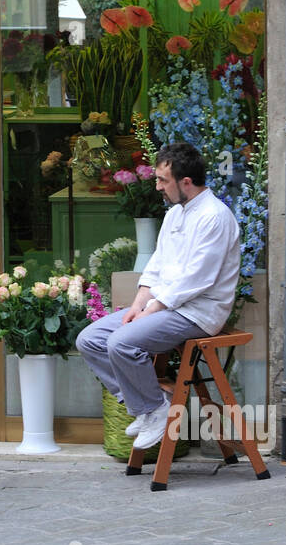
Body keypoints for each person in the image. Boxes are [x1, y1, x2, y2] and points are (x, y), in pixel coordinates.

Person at [75, 142, 241, 452]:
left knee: (122, 342)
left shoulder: (214, 217)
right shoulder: (174, 214)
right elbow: (155, 267)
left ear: (186, 183)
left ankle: (154, 408)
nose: (157, 186)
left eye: (163, 180)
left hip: (198, 312)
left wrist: (150, 311)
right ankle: (151, 406)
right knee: (90, 340)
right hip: (163, 307)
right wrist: (139, 304)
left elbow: (196, 280)